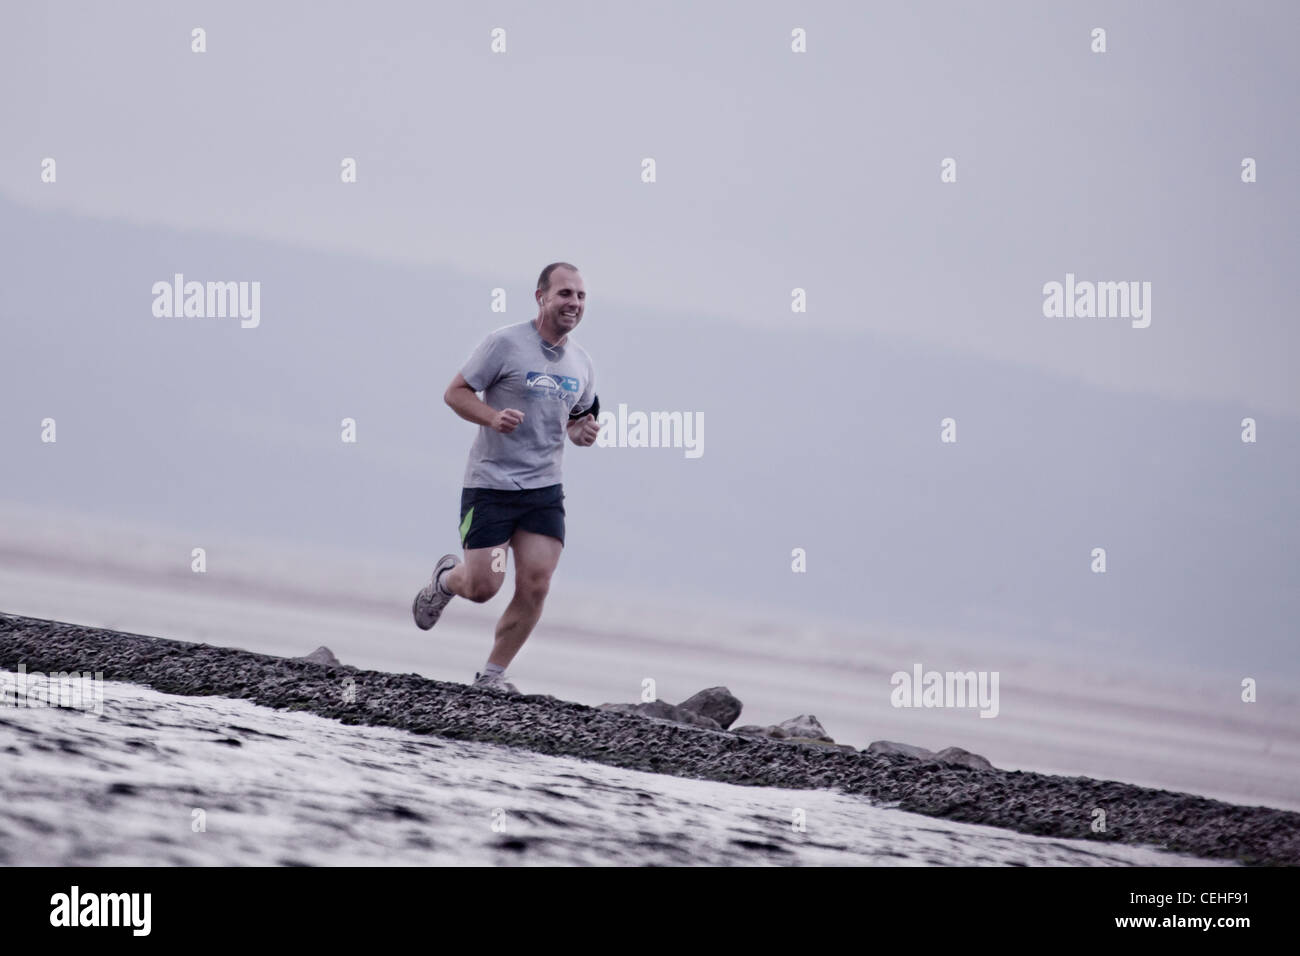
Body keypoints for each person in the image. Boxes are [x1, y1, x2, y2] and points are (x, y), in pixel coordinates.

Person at [412, 262, 601, 695]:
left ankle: (491, 676)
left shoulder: (582, 363)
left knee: (536, 583)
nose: (574, 303)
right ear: (542, 297)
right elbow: (455, 393)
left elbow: (578, 421)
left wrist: (582, 433)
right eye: (565, 294)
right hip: (491, 485)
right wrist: (493, 416)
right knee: (484, 586)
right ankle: (445, 580)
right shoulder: (504, 344)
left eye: (581, 296)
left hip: (543, 492)